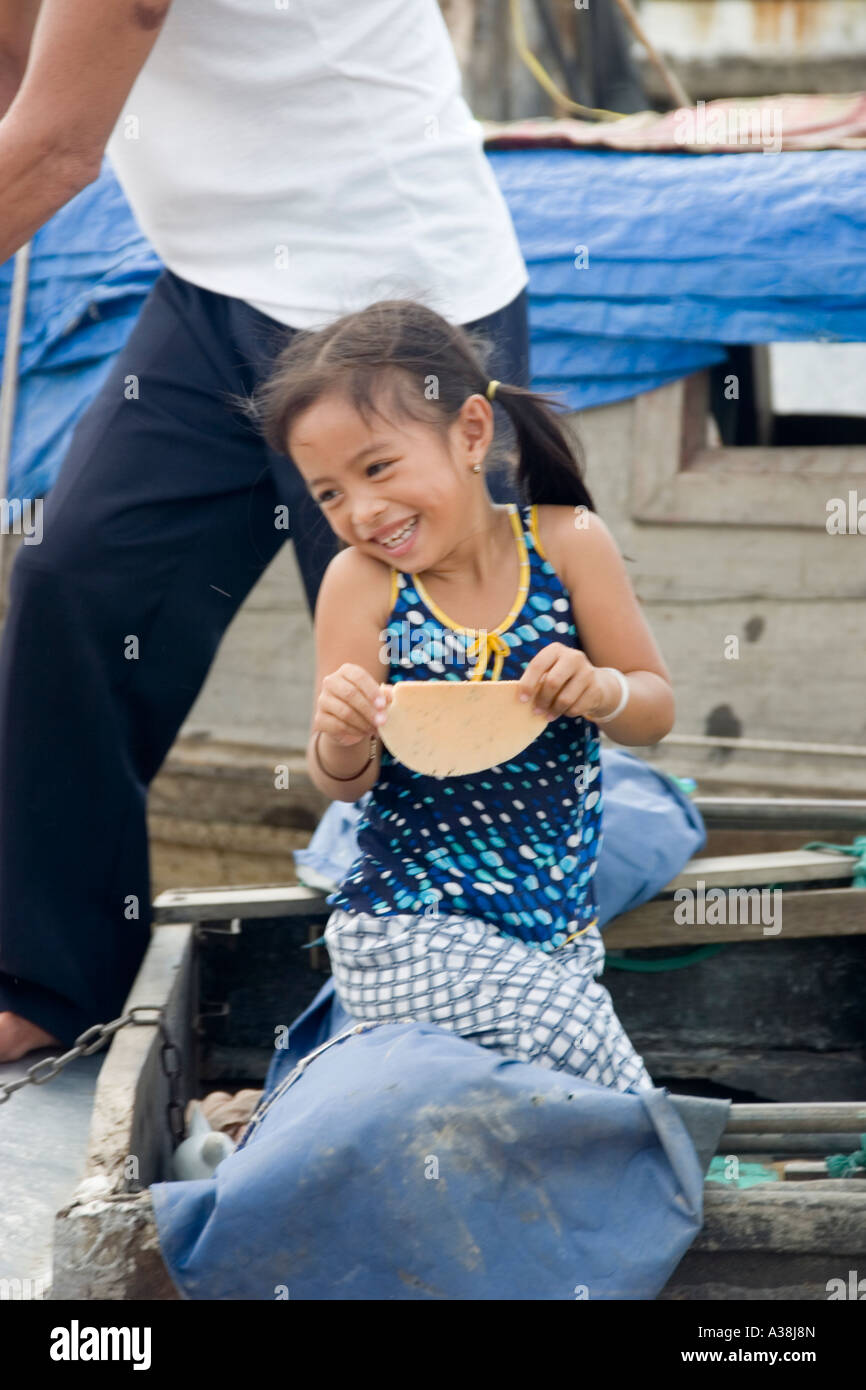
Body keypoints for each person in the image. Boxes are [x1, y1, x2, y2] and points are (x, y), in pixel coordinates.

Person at [0, 0, 529, 1060]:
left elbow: (56, 148)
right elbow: (23, 66)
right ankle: (46, 981)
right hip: (218, 283)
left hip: (388, 303)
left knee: (421, 680)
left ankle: (475, 1019)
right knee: (79, 583)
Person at [246, 298, 676, 1092]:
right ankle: (675, 1171)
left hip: (552, 939)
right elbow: (348, 783)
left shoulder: (566, 541)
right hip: (403, 933)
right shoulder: (362, 583)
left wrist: (599, 689)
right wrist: (342, 736)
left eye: (377, 468)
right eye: (330, 494)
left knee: (546, 1099)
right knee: (588, 1050)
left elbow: (653, 710)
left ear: (471, 433)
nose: (363, 512)